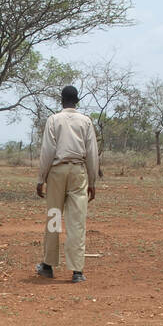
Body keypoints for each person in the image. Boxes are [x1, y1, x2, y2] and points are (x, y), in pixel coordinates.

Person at [35, 85, 98, 283]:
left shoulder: (54, 120)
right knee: (76, 222)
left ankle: (48, 265)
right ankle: (77, 271)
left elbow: (47, 151)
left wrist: (41, 178)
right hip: (78, 172)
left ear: (61, 100)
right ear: (76, 101)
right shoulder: (85, 121)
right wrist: (93, 180)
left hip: (56, 172)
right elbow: (92, 153)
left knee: (54, 216)